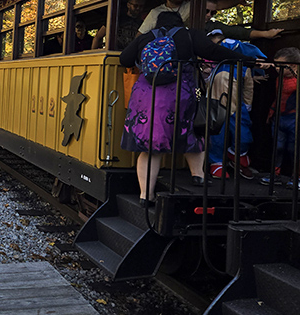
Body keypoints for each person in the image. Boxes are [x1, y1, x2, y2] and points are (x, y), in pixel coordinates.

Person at [120, 12, 250, 204]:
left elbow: (124, 59)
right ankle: (198, 176)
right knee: (194, 131)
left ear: (157, 23)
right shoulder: (190, 35)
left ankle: (146, 195)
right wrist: (246, 60)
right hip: (180, 92)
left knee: (151, 147)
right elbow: (213, 52)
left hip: (147, 95)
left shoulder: (146, 37)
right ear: (182, 22)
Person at [205, 29, 265, 180]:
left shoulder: (243, 68)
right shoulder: (214, 67)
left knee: (243, 133)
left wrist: (247, 103)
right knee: (217, 135)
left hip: (237, 106)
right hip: (216, 105)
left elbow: (248, 87)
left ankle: (236, 154)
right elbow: (207, 84)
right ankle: (216, 162)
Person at [261, 47, 300, 188]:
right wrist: (272, 112)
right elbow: (278, 97)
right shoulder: (279, 78)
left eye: (280, 66)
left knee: (293, 149)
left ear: (294, 65)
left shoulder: (297, 80)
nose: (277, 68)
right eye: (276, 65)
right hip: (279, 117)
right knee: (278, 147)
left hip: (294, 118)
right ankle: (275, 174)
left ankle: (296, 177)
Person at [204, 0, 283, 40]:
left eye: (213, 12)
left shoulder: (213, 26)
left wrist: (265, 34)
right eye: (206, 11)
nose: (209, 15)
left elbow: (238, 32)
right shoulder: (193, 22)